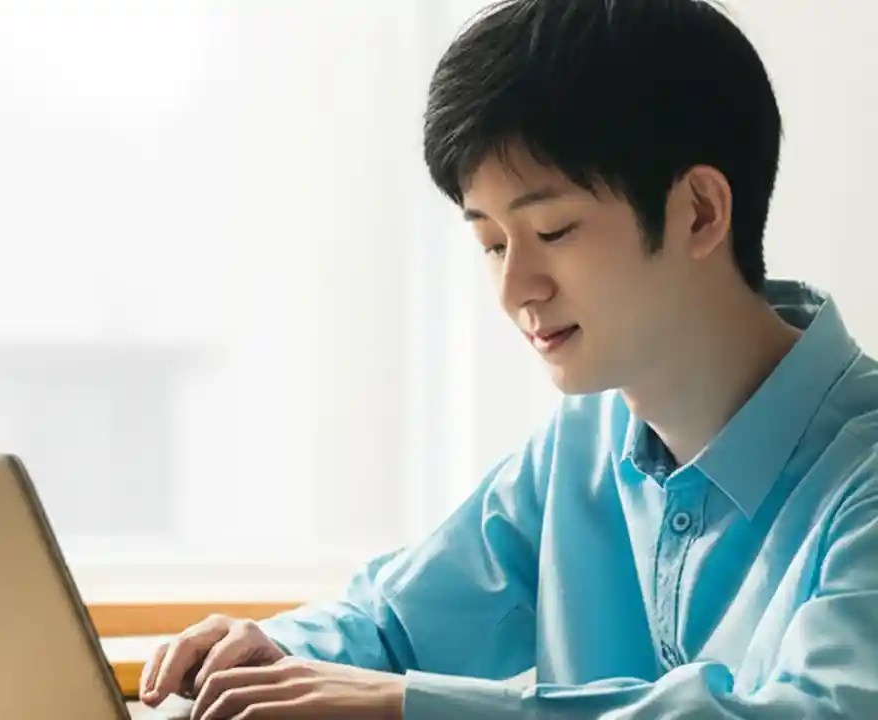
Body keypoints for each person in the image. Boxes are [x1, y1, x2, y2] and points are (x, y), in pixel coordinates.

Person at [139, 0, 878, 717]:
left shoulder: (862, 474)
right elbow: (395, 625)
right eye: (491, 242)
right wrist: (263, 653)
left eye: (552, 231)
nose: (513, 288)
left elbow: (812, 710)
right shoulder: (583, 442)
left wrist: (411, 709)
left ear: (699, 212)